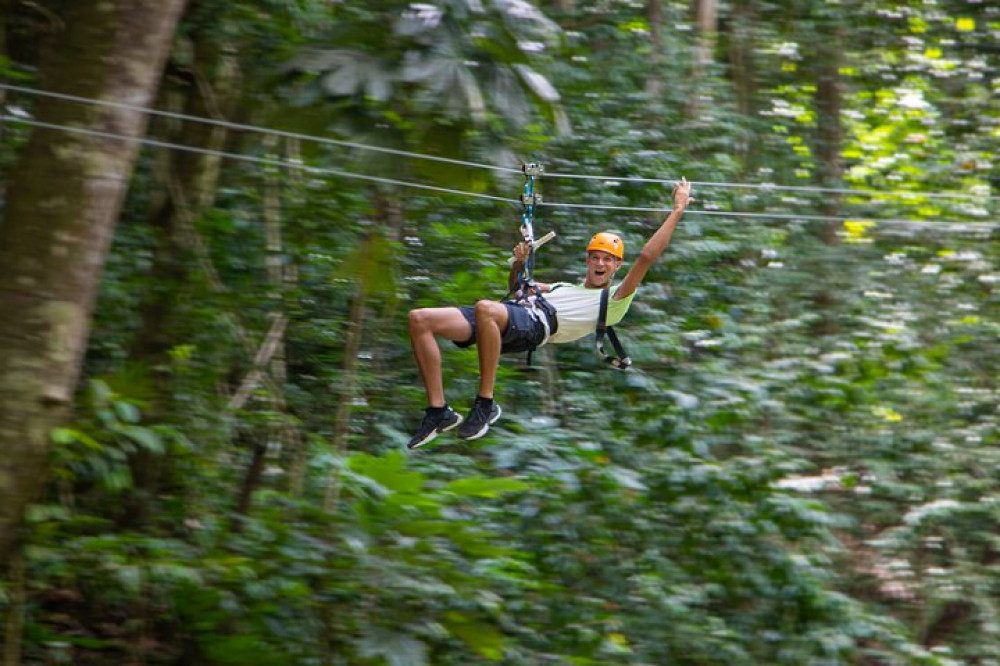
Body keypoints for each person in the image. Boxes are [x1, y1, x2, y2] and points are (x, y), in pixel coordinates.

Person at [406, 178, 693, 448]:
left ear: (617, 267)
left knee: (486, 308)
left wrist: (678, 209)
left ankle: (485, 404)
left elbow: (646, 257)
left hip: (534, 326)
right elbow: (519, 289)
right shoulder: (561, 287)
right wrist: (519, 263)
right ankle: (438, 410)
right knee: (420, 319)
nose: (600, 263)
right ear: (587, 260)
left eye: (608, 260)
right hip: (512, 314)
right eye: (595, 257)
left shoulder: (614, 300)